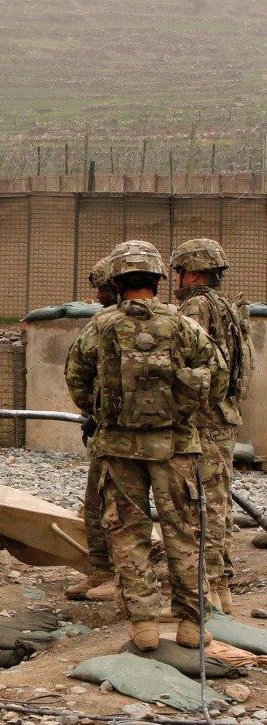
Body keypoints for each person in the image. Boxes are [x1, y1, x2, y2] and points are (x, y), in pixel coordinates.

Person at [65, 240, 227, 651]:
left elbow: (76, 380)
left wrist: (102, 413)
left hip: (118, 449)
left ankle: (143, 625)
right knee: (184, 533)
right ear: (156, 279)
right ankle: (192, 624)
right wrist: (187, 406)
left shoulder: (99, 326)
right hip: (175, 448)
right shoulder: (183, 325)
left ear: (118, 282)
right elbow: (218, 374)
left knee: (128, 536)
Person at [171, 238, 252, 615]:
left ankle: (208, 587)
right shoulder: (227, 307)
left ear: (195, 272)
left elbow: (187, 359)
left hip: (203, 418)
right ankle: (222, 586)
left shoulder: (196, 306)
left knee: (198, 502)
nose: (177, 278)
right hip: (226, 416)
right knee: (217, 500)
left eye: (181, 271)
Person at [66, 256, 121, 601]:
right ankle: (101, 570)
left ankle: (122, 577)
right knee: (95, 502)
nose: (97, 295)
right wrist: (96, 413)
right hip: (108, 426)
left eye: (102, 288)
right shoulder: (102, 322)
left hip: (134, 433)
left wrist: (94, 409)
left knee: (121, 508)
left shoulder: (109, 324)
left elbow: (77, 374)